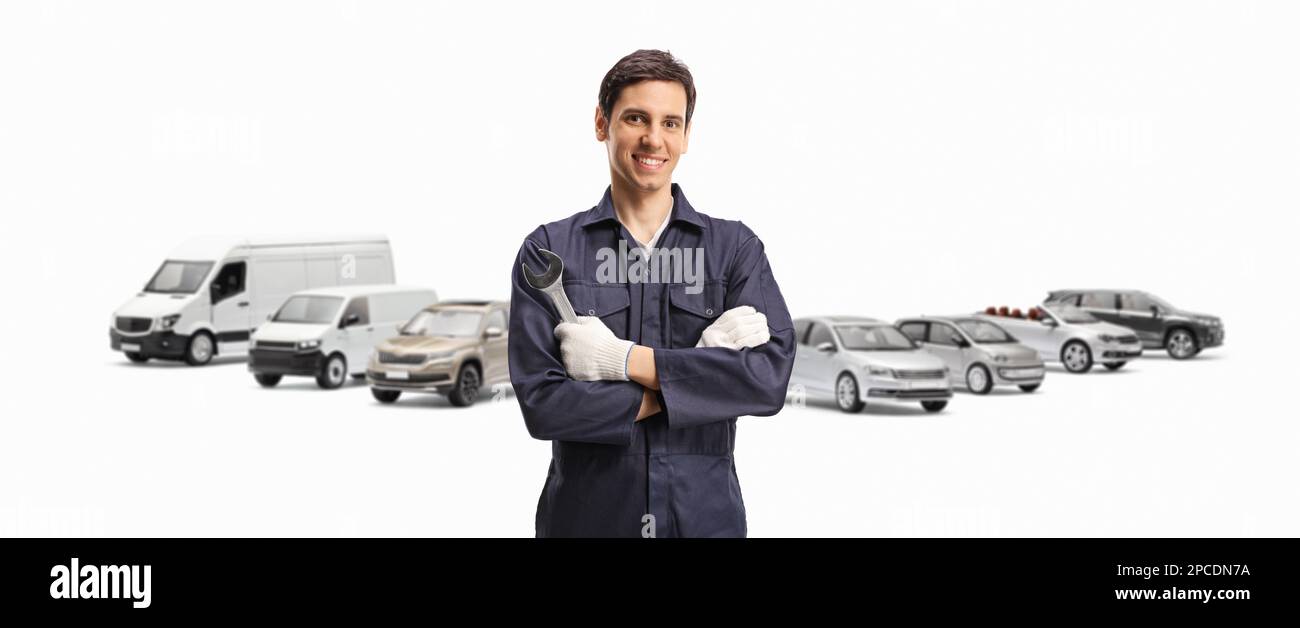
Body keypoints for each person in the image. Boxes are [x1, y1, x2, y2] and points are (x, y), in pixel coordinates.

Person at [508, 49, 795, 538]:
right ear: (602, 123)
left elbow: (767, 380)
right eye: (635, 118)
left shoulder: (734, 250)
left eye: (671, 122)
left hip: (704, 522)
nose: (653, 139)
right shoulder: (548, 251)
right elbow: (544, 403)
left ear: (686, 135)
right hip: (585, 523)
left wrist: (621, 360)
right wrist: (700, 371)